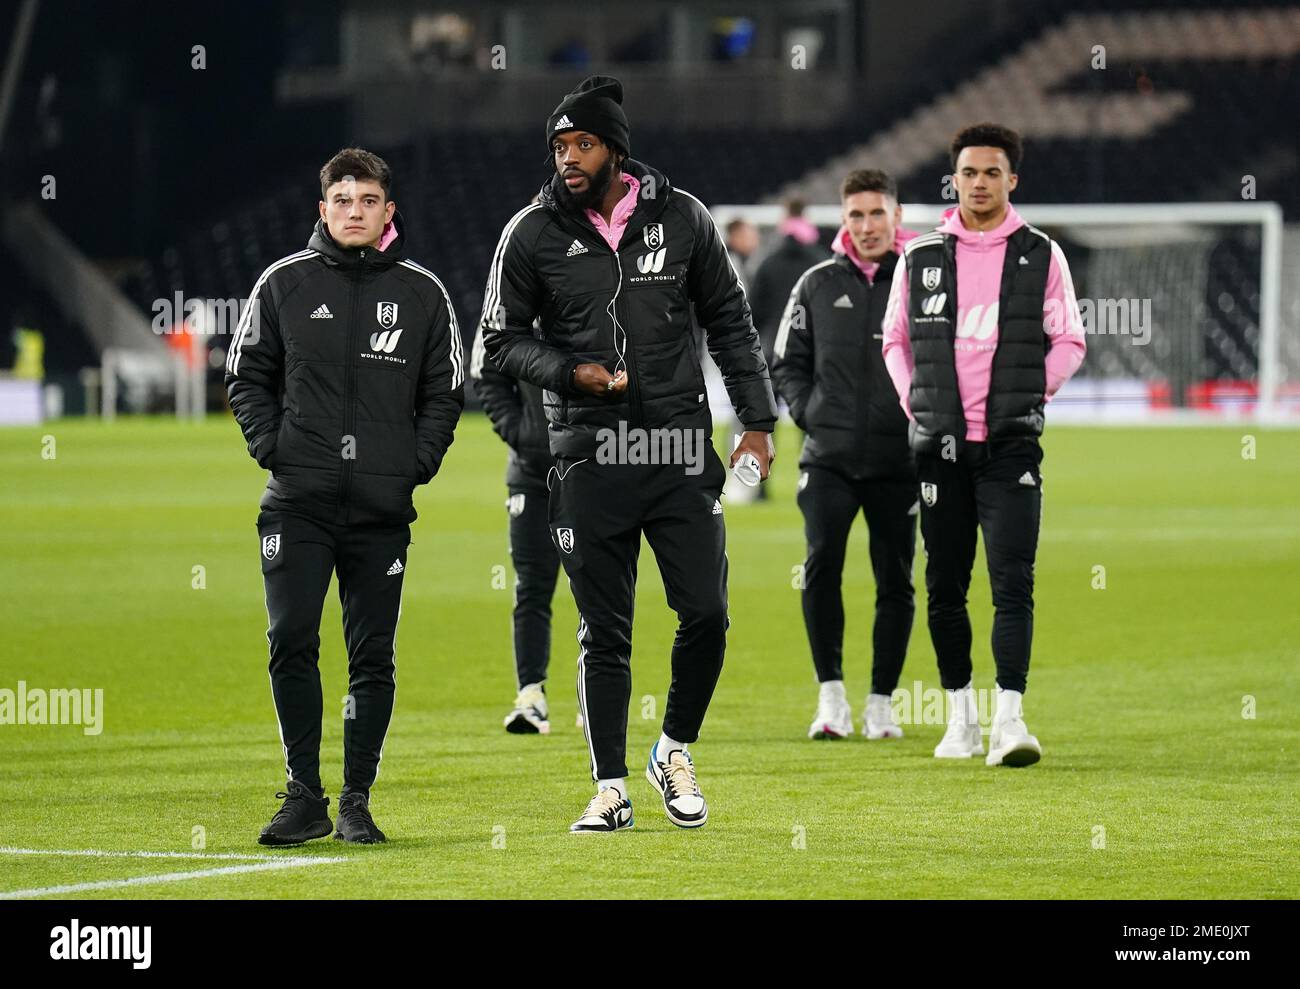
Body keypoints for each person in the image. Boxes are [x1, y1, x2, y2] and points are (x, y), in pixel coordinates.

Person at [481, 75, 777, 833]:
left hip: (678, 449)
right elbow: (499, 342)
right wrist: (568, 372)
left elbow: (732, 325)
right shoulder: (530, 232)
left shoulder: (684, 219)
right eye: (558, 146)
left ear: (617, 150)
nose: (567, 159)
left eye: (582, 144)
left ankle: (673, 748)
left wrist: (757, 419)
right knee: (604, 630)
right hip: (585, 453)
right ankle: (611, 786)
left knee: (706, 613)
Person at [225, 147, 464, 843]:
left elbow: (445, 391)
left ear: (389, 211)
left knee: (372, 656)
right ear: (321, 209)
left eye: (367, 202)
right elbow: (246, 375)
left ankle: (357, 798)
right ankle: (305, 794)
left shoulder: (423, 292)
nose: (353, 212)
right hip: (296, 502)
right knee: (290, 638)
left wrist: (413, 463)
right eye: (341, 200)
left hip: (380, 511)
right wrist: (276, 449)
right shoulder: (284, 283)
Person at [881, 123, 1086, 766]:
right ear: (955, 179)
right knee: (944, 586)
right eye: (968, 173)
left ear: (1011, 180)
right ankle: (961, 720)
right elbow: (894, 341)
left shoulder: (1042, 254)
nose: (978, 183)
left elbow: (1071, 342)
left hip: (1010, 448)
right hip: (939, 447)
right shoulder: (919, 256)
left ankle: (1010, 721)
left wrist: (1030, 396)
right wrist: (916, 402)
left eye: (991, 173)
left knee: (1012, 582)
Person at [771, 168, 918, 742]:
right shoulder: (814, 283)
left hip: (898, 461)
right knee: (821, 568)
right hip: (827, 460)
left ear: (897, 216)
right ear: (843, 220)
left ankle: (881, 702)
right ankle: (831, 697)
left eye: (877, 213)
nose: (866, 225)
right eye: (855, 215)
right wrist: (812, 413)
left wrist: (917, 422)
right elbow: (786, 360)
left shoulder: (921, 279)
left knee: (896, 581)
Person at [470, 300, 566, 735]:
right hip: (531, 470)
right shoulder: (509, 300)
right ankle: (530, 695)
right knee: (532, 584)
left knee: (603, 587)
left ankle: (598, 695)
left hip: (595, 466)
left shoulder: (595, 285)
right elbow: (487, 373)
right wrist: (523, 433)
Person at [749, 199, 829, 363]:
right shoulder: (821, 262)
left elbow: (755, 311)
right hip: (812, 349)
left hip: (775, 346)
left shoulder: (768, 262)